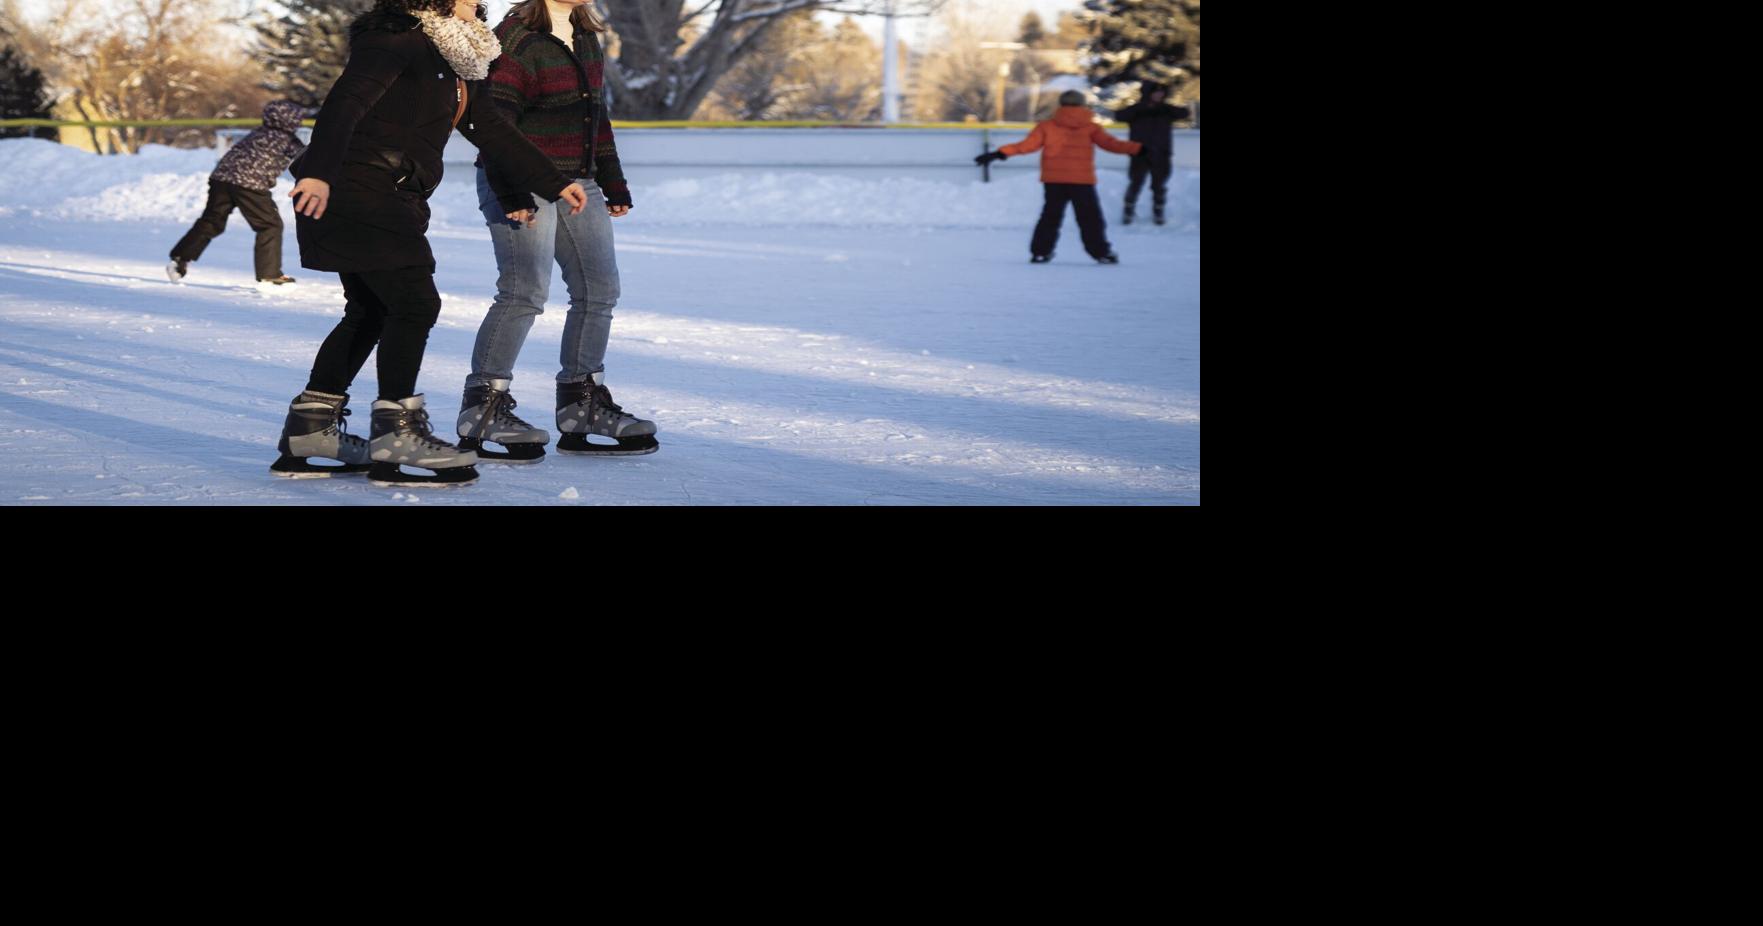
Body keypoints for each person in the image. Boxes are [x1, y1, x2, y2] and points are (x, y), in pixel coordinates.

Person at [271, 0, 588, 486]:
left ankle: (312, 429)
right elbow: (346, 102)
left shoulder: (452, 58)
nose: (478, 1)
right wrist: (316, 173)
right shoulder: (396, 39)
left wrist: (550, 179)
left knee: (371, 311)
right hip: (356, 189)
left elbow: (491, 129)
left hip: (390, 194)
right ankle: (397, 433)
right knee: (415, 303)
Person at [455, 0, 656, 461]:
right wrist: (513, 194)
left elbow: (594, 115)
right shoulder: (516, 38)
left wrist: (611, 179)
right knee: (525, 291)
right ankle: (483, 407)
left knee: (599, 288)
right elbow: (494, 123)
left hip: (578, 182)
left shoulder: (584, 33)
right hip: (520, 179)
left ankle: (581, 405)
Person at [974, 90, 1142, 264]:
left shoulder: (1046, 126)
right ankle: (1101, 252)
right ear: (1082, 104)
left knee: (1050, 217)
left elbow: (1026, 146)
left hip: (1054, 180)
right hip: (1081, 180)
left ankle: (1040, 252)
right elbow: (1111, 144)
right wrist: (1138, 149)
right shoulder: (1091, 127)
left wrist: (999, 153)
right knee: (1090, 218)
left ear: (1061, 105)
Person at [168, 99, 307, 285]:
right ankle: (269, 274)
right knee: (269, 225)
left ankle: (180, 259)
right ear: (291, 120)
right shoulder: (287, 139)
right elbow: (306, 160)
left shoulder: (258, 133)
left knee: (212, 220)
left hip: (221, 178)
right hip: (249, 184)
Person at [1115, 84, 1191, 226]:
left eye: (1161, 93)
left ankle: (1158, 212)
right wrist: (1141, 108)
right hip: (1139, 152)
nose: (1159, 95)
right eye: (1156, 93)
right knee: (1136, 183)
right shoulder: (1137, 110)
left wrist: (1167, 107)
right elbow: (1119, 115)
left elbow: (1184, 113)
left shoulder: (1166, 110)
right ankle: (1128, 211)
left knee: (1159, 185)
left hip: (1161, 153)